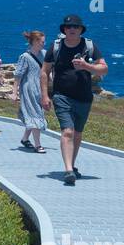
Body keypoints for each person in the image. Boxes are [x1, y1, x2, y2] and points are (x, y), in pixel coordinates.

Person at [41, 14, 107, 186]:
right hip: (61, 96)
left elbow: (104, 69)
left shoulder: (89, 46)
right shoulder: (56, 46)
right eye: (69, 27)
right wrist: (45, 95)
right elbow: (44, 71)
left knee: (77, 134)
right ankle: (69, 169)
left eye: (75, 27)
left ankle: (72, 164)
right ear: (64, 29)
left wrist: (86, 66)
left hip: (84, 98)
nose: (72, 29)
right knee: (68, 132)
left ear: (80, 30)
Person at [16, 30, 48, 152]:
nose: (43, 44)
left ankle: (25, 139)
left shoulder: (44, 54)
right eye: (41, 42)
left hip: (41, 89)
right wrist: (14, 92)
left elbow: (47, 70)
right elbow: (18, 75)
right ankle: (38, 145)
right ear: (34, 41)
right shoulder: (25, 57)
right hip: (29, 90)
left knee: (33, 114)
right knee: (36, 115)